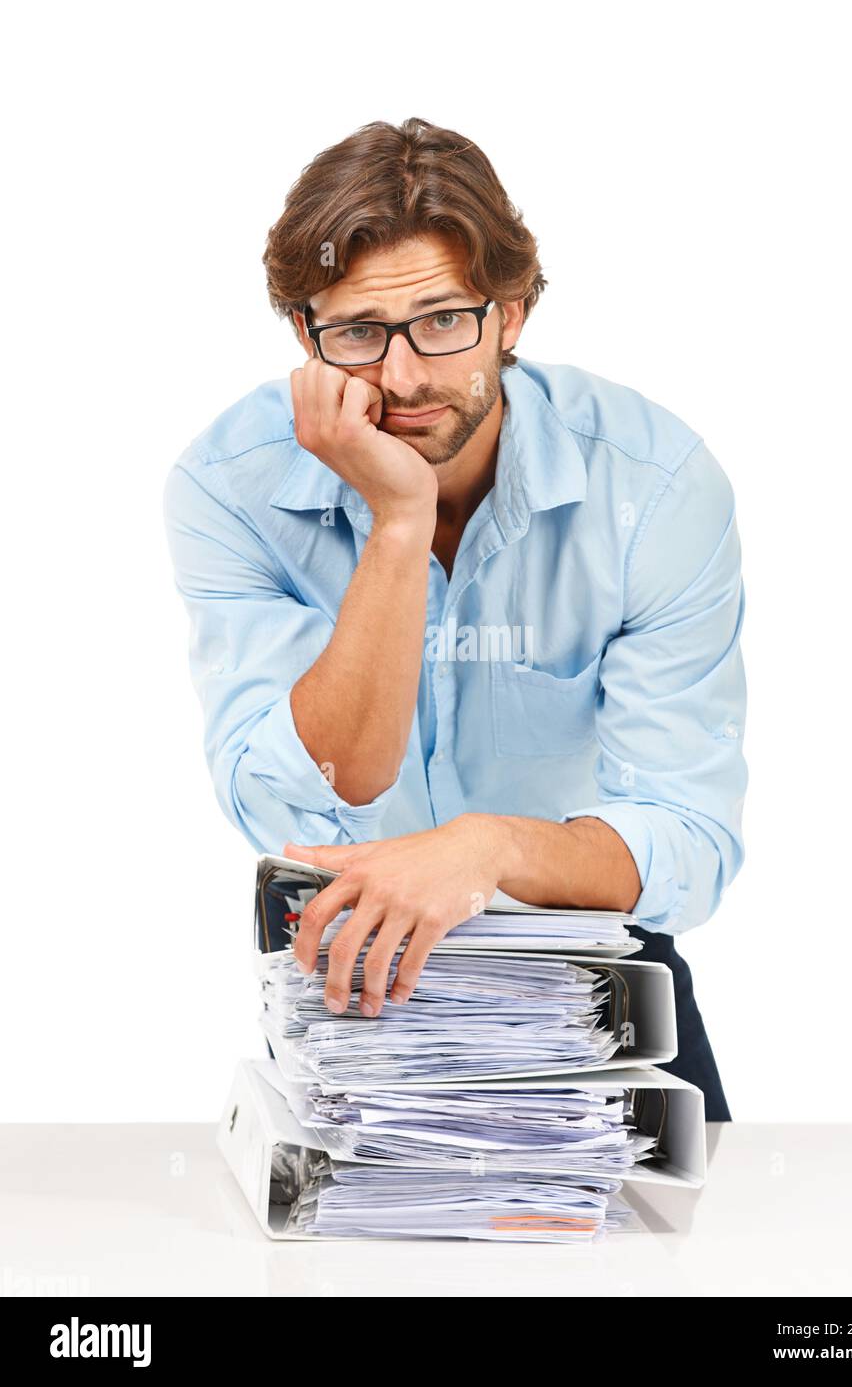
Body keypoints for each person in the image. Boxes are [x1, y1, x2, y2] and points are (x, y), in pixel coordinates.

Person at [163, 117, 748, 1120]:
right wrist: (398, 520)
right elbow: (301, 801)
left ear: (512, 312)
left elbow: (689, 841)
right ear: (304, 336)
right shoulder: (229, 486)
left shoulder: (652, 483)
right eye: (356, 333)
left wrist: (487, 848)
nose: (401, 378)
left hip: (591, 966)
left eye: (443, 321)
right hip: (351, 977)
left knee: (691, 1260)